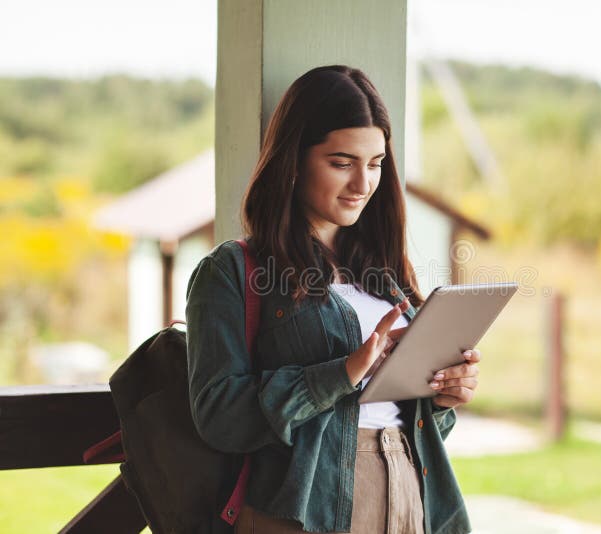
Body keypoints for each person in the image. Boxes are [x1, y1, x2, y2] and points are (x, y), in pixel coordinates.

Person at [185, 65, 480, 534]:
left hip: (409, 496)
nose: (363, 184)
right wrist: (342, 373)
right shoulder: (234, 270)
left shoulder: (387, 275)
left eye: (376, 163)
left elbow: (414, 426)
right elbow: (219, 416)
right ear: (293, 160)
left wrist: (442, 397)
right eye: (342, 163)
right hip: (304, 510)